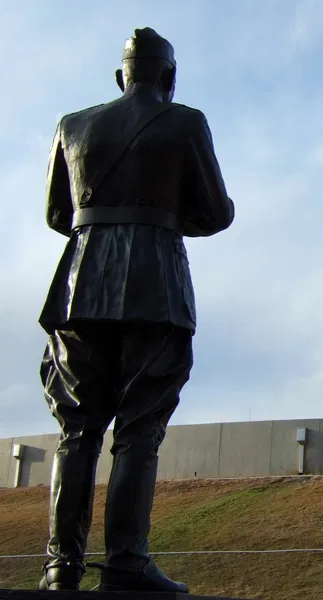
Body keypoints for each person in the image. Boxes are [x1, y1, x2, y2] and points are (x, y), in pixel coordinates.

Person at [37, 27, 234, 592]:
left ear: (121, 75)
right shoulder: (185, 122)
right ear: (167, 77)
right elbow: (216, 211)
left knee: (77, 431)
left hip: (80, 288)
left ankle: (61, 566)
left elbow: (57, 213)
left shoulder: (72, 126)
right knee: (138, 431)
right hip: (155, 286)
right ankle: (125, 563)